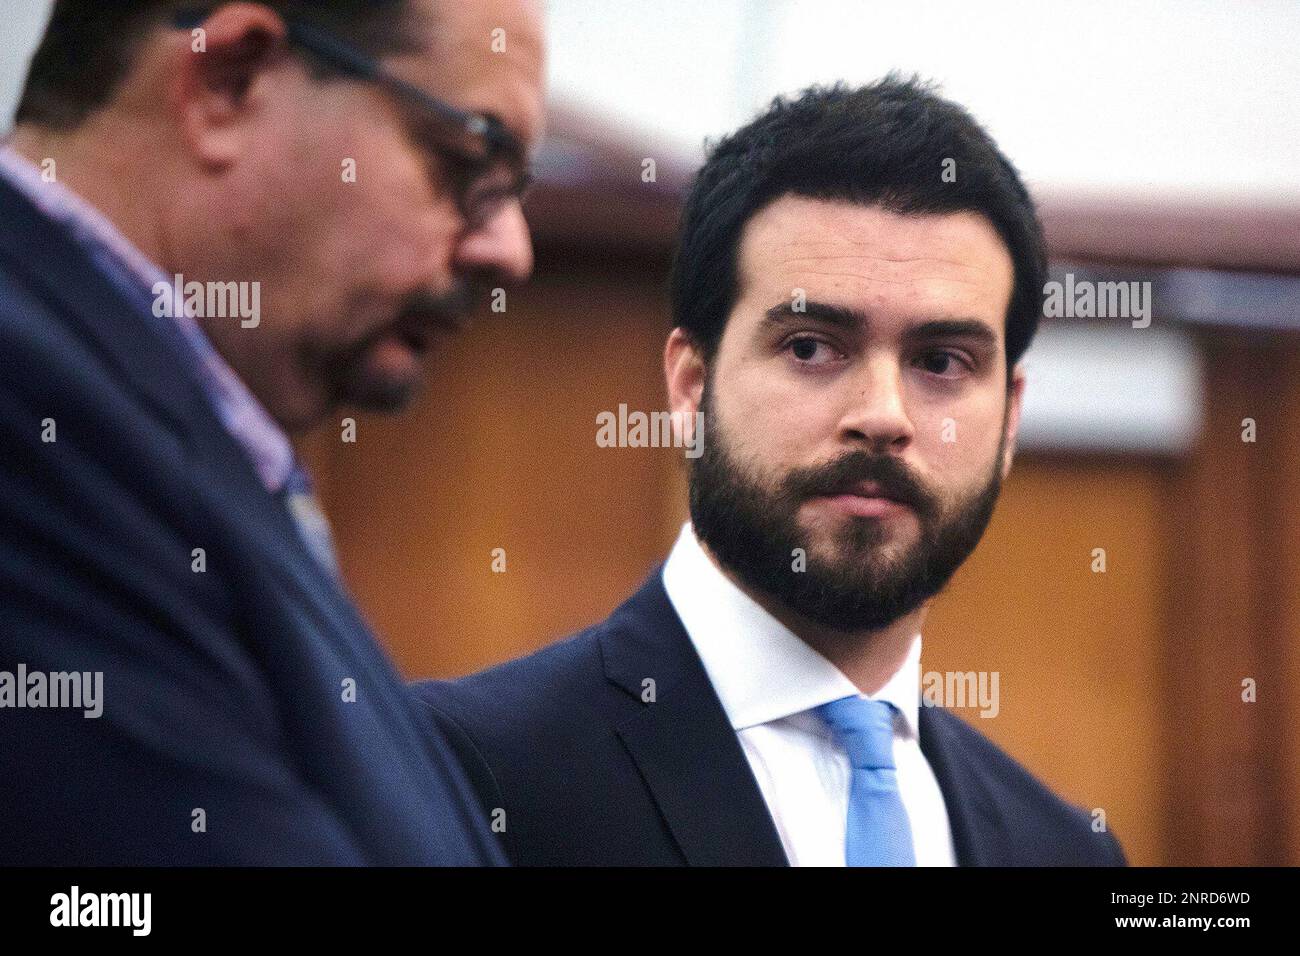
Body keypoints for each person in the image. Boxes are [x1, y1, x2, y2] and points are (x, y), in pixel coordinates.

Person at [416, 77, 1129, 866]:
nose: (884, 414)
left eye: (941, 361)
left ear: (1010, 420)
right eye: (811, 347)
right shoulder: (459, 775)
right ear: (691, 386)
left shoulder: (1064, 851)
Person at [0, 0, 544, 864]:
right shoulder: (32, 417)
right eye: (468, 161)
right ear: (228, 83)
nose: (508, 248)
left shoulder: (165, 434)